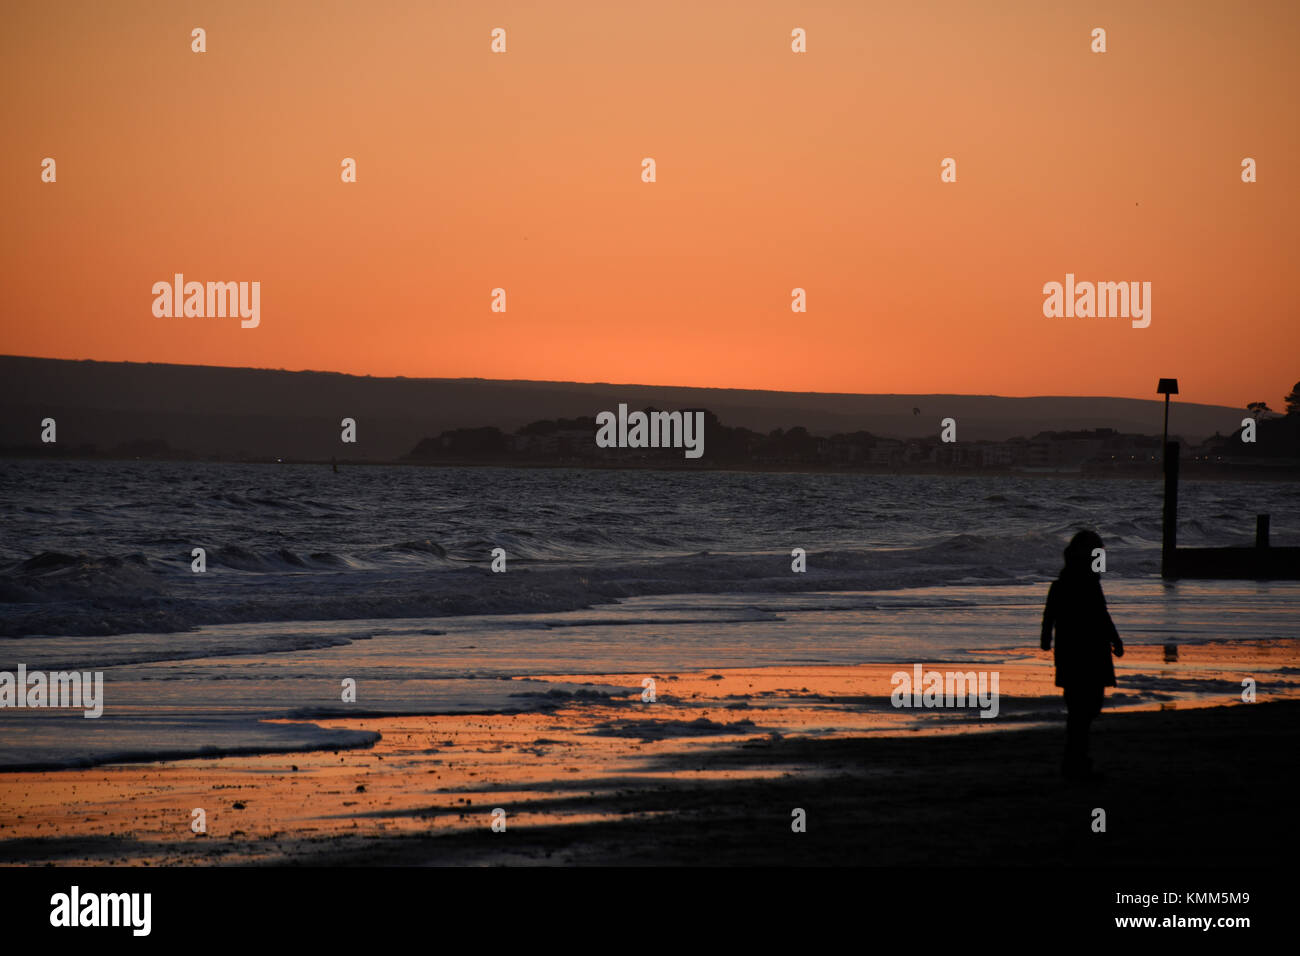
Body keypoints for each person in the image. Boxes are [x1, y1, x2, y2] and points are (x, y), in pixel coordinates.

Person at [1040, 530, 1124, 780]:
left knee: (1083, 707)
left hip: (1083, 651)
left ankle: (1075, 756)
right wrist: (1045, 639)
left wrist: (1115, 639)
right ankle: (1075, 759)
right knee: (1082, 708)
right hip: (1082, 652)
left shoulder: (1085, 583)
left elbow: (1102, 615)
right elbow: (1051, 616)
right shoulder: (1070, 584)